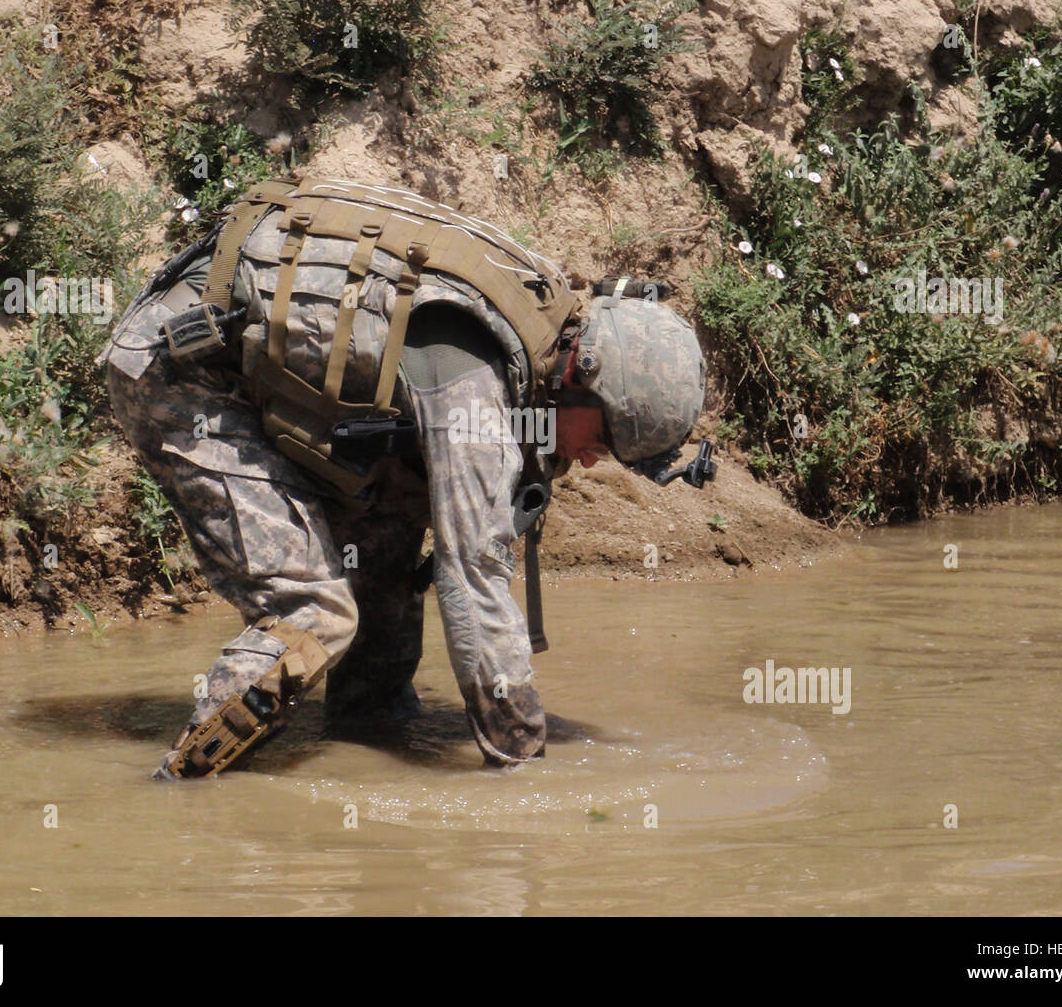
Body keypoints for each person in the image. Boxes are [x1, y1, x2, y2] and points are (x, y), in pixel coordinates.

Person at [100, 176, 707, 778]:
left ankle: (369, 725)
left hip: (258, 374)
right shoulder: (476, 385)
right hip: (183, 372)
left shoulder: (543, 332)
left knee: (388, 557)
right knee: (315, 613)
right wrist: (523, 760)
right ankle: (185, 783)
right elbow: (474, 578)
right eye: (601, 440)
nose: (594, 461)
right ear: (582, 375)